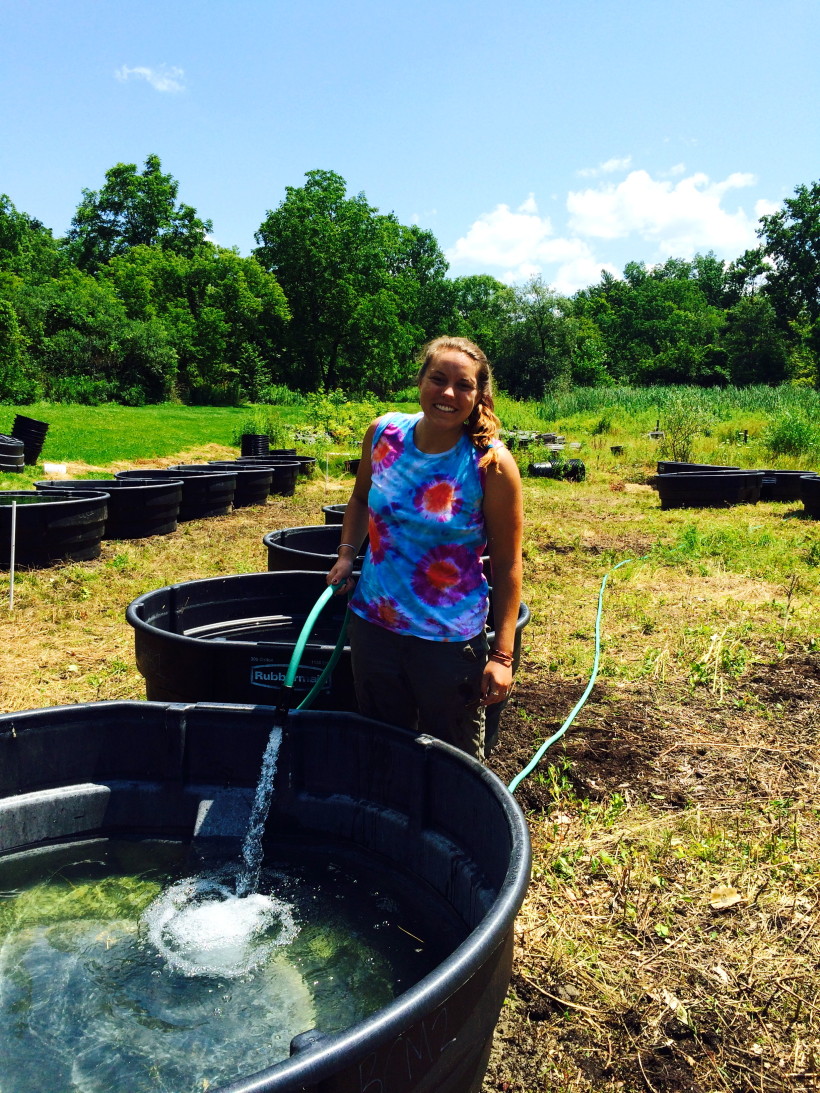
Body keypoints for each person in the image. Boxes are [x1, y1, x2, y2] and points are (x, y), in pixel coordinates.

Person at [326, 336, 523, 760]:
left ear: (479, 394)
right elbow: (361, 498)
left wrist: (503, 655)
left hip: (446, 639)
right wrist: (346, 554)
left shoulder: (490, 463)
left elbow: (507, 563)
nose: (448, 393)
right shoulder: (384, 434)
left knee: (455, 761)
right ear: (420, 381)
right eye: (438, 379)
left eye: (463, 385)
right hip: (374, 624)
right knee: (385, 746)